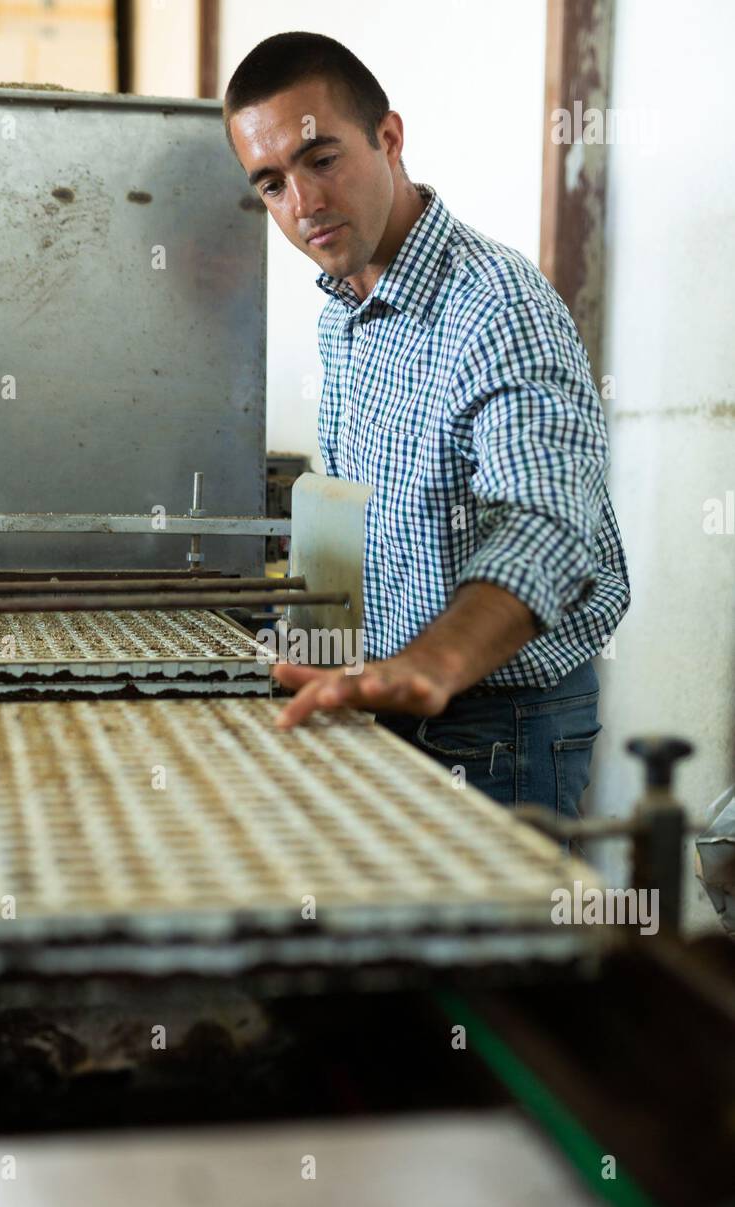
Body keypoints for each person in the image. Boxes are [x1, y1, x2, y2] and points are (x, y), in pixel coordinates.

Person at [224, 31, 629, 818]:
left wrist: (433, 663)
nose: (302, 205)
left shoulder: (495, 304)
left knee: (496, 942)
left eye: (321, 159)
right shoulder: (344, 310)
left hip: (497, 727)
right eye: (270, 184)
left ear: (389, 137)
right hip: (388, 699)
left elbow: (545, 525)